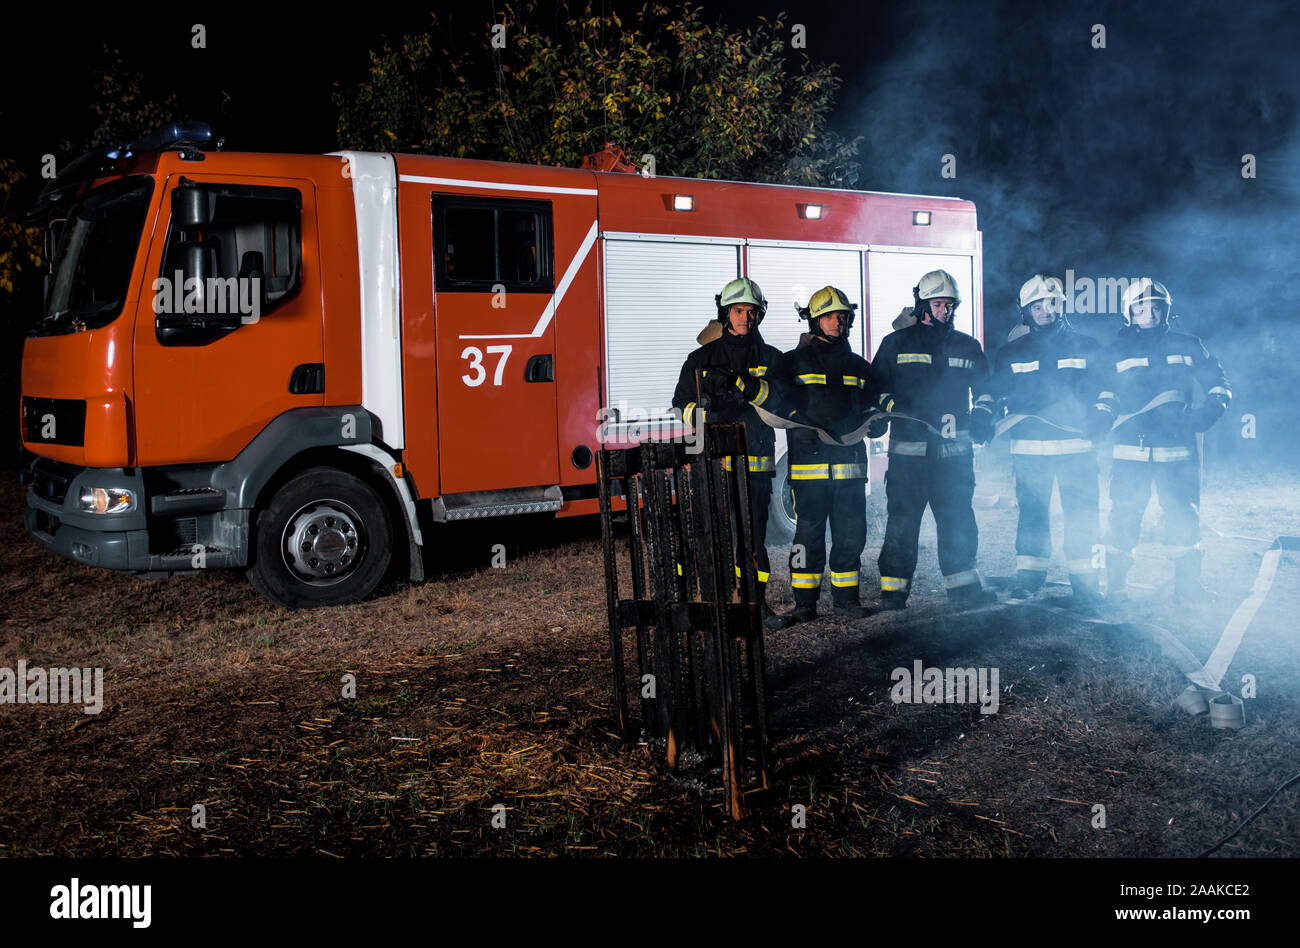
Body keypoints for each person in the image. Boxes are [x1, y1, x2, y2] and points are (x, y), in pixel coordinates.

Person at [738, 286, 875, 622]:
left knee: (850, 535)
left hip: (850, 468)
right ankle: (804, 604)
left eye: (843, 317)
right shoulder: (790, 363)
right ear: (815, 321)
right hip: (809, 467)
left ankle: (847, 600)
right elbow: (772, 401)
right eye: (829, 316)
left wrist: (879, 418)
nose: (838, 322)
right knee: (808, 536)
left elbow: (874, 403)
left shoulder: (859, 366)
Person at [867, 269, 998, 609]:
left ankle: (964, 590)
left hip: (954, 461)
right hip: (908, 460)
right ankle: (893, 594)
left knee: (958, 522)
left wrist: (984, 414)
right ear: (922, 306)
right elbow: (875, 389)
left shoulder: (967, 346)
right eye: (938, 304)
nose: (945, 311)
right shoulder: (895, 344)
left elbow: (987, 390)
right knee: (902, 524)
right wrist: (892, 406)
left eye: (950, 305)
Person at [1099, 278, 1231, 602]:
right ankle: (1115, 588)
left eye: (1157, 307)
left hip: (1177, 452)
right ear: (1129, 312)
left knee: (1184, 518)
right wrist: (1100, 417)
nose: (1151, 314)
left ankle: (1188, 589)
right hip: (1131, 452)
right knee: (1124, 517)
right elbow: (1103, 392)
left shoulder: (1188, 345)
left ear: (1166, 310)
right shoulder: (1115, 351)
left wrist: (1210, 411)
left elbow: (1218, 382)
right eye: (1142, 308)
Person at [672, 277, 790, 629]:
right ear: (726, 313)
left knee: (752, 537)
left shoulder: (771, 359)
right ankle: (707, 604)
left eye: (752, 311)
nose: (746, 318)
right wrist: (707, 411)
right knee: (706, 535)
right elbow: (679, 405)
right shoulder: (701, 358)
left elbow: (782, 402)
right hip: (712, 464)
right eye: (739, 310)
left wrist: (748, 389)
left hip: (756, 464)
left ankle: (754, 603)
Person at [990, 274, 1113, 608]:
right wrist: (985, 415)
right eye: (1038, 306)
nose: (1047, 310)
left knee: (1083, 515)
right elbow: (996, 393)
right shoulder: (1010, 353)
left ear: (1062, 305)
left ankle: (1086, 585)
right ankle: (1028, 580)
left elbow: (1108, 390)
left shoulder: (1088, 346)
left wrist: (1103, 414)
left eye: (1052, 303)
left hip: (1078, 450)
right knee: (1032, 516)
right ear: (1026, 311)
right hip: (1029, 451)